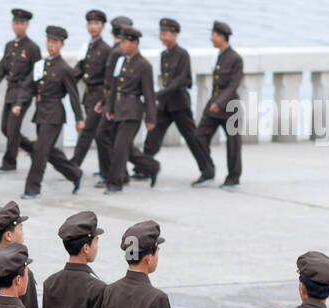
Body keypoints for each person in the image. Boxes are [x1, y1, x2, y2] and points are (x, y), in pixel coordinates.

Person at [13, 25, 84, 197]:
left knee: (39, 152)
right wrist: (19, 104)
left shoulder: (65, 68)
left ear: (62, 45)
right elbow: (28, 87)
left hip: (54, 115)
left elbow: (73, 96)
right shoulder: (40, 66)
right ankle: (75, 173)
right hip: (40, 114)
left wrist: (79, 118)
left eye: (55, 42)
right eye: (49, 41)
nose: (51, 45)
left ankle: (32, 188)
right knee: (48, 151)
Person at [102, 26, 159, 192]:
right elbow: (114, 87)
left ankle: (115, 183)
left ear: (135, 43)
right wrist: (110, 106)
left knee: (120, 147)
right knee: (124, 146)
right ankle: (152, 166)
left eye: (125, 42)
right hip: (119, 109)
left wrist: (151, 118)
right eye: (121, 41)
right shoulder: (122, 61)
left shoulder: (144, 65)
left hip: (132, 111)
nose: (122, 45)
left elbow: (149, 94)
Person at [0, 8, 41, 173]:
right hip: (10, 93)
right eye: (16, 23)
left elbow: (37, 74)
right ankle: (32, 149)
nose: (18, 26)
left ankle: (9, 162)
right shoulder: (9, 46)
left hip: (23, 94)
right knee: (5, 128)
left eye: (22, 23)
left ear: (27, 25)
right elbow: (1, 70)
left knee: (12, 129)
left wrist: (37, 95)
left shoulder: (32, 48)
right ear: (12, 24)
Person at [191, 20, 243, 188]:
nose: (211, 38)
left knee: (233, 143)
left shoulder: (235, 58)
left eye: (214, 35)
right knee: (198, 136)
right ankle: (207, 171)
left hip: (230, 108)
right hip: (214, 104)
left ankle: (233, 177)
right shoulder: (219, 56)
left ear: (222, 36)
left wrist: (219, 103)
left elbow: (233, 85)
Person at [144, 18, 197, 170]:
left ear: (175, 35)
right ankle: (145, 168)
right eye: (161, 33)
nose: (163, 37)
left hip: (179, 104)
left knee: (192, 138)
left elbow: (180, 80)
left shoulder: (182, 54)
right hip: (165, 104)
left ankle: (207, 171)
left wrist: (158, 95)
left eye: (166, 33)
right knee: (152, 137)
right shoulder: (164, 55)